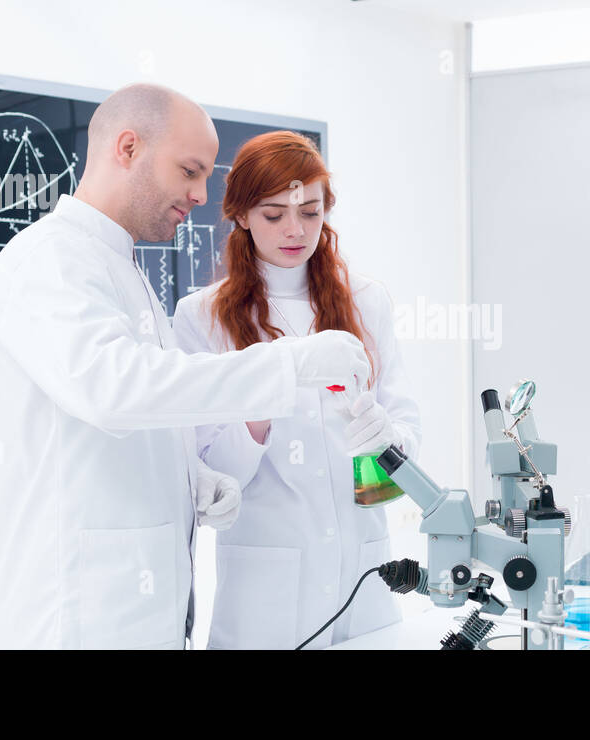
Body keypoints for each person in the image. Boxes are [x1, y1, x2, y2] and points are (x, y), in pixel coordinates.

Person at [0, 85, 370, 649]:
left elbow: (144, 410)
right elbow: (115, 389)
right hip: (79, 620)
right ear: (128, 148)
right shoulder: (49, 261)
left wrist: (191, 477)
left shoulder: (122, 267)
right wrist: (288, 362)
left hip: (144, 617)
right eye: (189, 171)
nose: (200, 193)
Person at [172, 131, 421, 649]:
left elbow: (400, 469)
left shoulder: (365, 302)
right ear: (241, 215)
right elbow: (214, 477)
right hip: (264, 594)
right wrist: (261, 406)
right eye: (273, 214)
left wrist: (385, 448)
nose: (295, 230)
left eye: (310, 212)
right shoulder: (201, 317)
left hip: (364, 576)